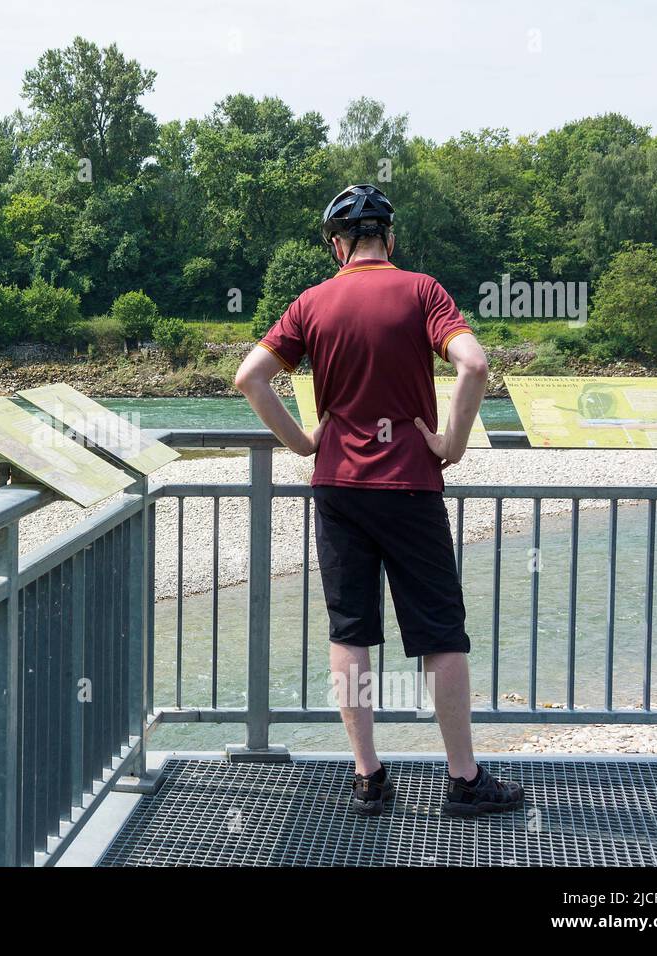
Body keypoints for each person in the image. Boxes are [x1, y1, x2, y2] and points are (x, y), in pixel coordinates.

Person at [233, 184, 524, 818]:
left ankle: (368, 777)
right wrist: (452, 441)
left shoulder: (312, 302)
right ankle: (465, 781)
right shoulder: (422, 291)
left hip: (338, 487)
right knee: (441, 635)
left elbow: (250, 377)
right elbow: (473, 365)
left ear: (337, 246)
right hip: (412, 485)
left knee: (351, 632)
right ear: (389, 240)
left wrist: (303, 442)